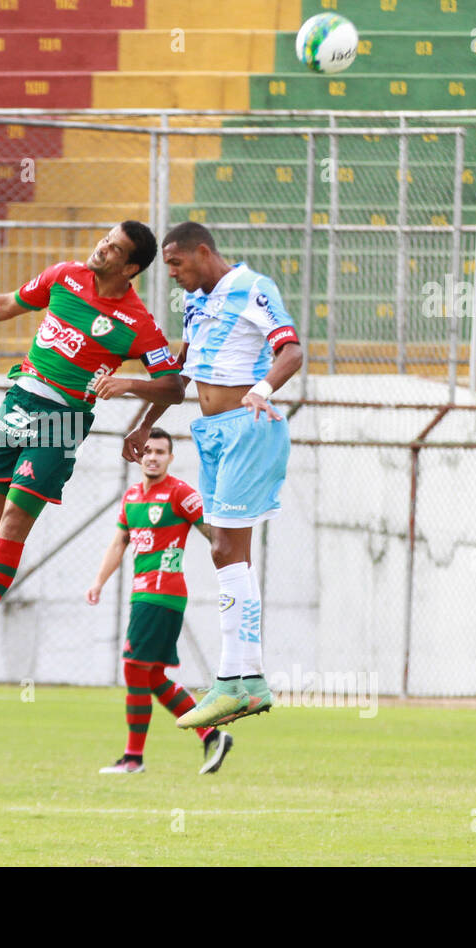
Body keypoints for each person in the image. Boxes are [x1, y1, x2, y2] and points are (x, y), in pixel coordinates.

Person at [0, 221, 186, 672]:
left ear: (130, 267)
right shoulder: (64, 276)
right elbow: (2, 306)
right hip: (18, 400)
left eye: (114, 249)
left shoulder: (137, 323)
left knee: (14, 518)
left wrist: (130, 383)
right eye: (104, 240)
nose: (102, 249)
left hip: (62, 420)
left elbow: (173, 385)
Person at [128, 222, 304, 729]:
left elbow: (290, 350)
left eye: (178, 265)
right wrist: (145, 425)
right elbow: (181, 379)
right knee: (230, 552)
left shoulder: (254, 287)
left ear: (204, 252)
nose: (174, 276)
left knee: (225, 548)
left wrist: (261, 391)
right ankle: (248, 684)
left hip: (248, 427)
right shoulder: (194, 304)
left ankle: (233, 680)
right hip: (212, 434)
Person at [86, 427, 232, 774]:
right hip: (144, 594)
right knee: (151, 677)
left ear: (170, 458)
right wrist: (98, 581)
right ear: (139, 455)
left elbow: (213, 532)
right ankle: (210, 734)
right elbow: (120, 542)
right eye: (147, 451)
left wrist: (233, 561)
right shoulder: (132, 496)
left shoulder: (181, 493)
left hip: (162, 593)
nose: (152, 457)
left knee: (133, 667)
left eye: (160, 452)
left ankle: (133, 758)